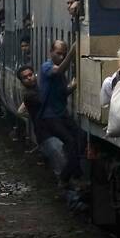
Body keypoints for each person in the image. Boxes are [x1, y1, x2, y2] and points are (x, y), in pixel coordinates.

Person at [38, 39, 82, 182]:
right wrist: (72, 52)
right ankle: (66, 178)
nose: (61, 57)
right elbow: (58, 71)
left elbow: (63, 93)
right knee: (70, 141)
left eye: (64, 54)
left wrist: (73, 86)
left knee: (79, 137)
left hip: (61, 113)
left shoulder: (61, 75)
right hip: (50, 116)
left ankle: (75, 172)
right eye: (58, 54)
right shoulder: (46, 67)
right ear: (51, 52)